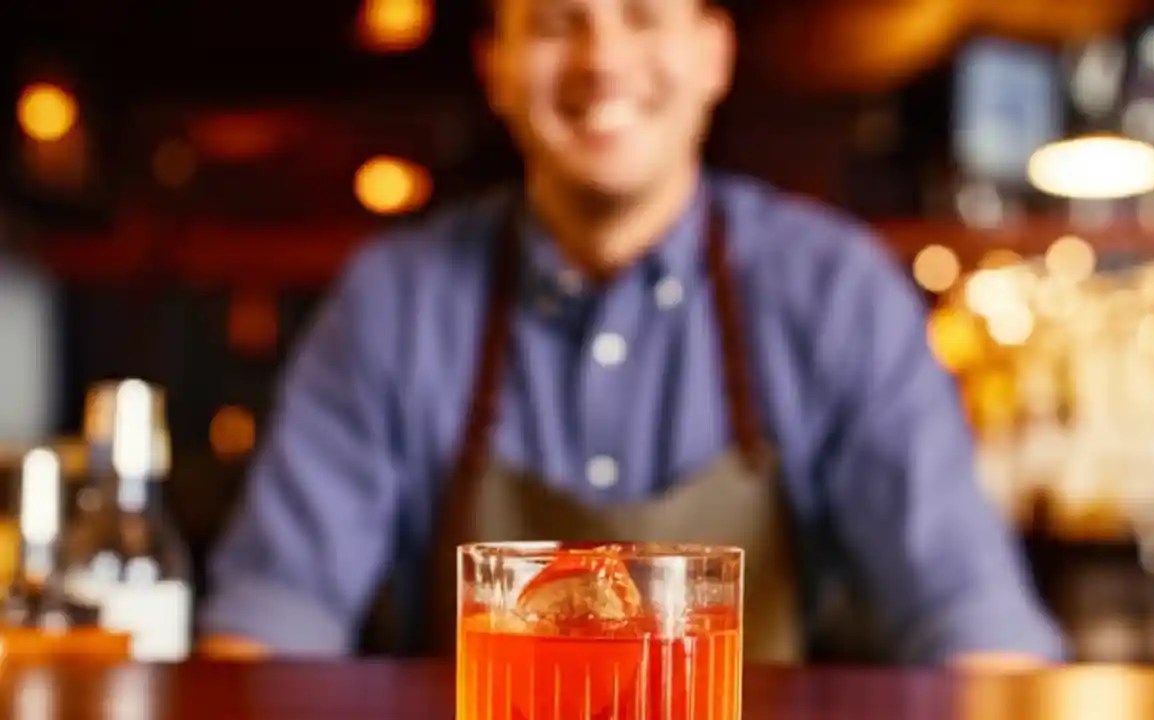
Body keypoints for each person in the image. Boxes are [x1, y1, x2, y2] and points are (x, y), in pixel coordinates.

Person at [200, 0, 1064, 665]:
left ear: (714, 53)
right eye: (554, 23)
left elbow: (967, 614)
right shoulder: (394, 300)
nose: (602, 60)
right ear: (494, 66)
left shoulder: (836, 293)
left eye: (643, 14)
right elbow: (275, 616)